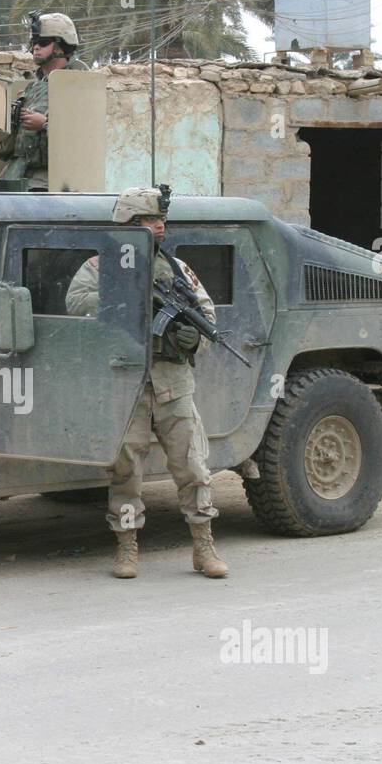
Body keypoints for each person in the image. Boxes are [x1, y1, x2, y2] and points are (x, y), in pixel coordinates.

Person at [65, 186, 228, 579]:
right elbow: (76, 304)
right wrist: (131, 298)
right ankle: (127, 547)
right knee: (126, 469)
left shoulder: (176, 269)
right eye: (149, 220)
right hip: (126, 383)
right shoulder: (99, 266)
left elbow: (206, 314)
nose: (159, 226)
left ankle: (203, 547)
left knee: (192, 466)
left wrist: (194, 338)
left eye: (161, 220)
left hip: (173, 381)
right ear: (128, 225)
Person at [0, 12, 90, 190]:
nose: (36, 48)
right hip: (18, 173)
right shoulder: (32, 88)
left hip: (52, 180)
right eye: (34, 43)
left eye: (43, 42)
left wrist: (45, 124)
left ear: (61, 46)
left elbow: (84, 135)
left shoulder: (78, 84)